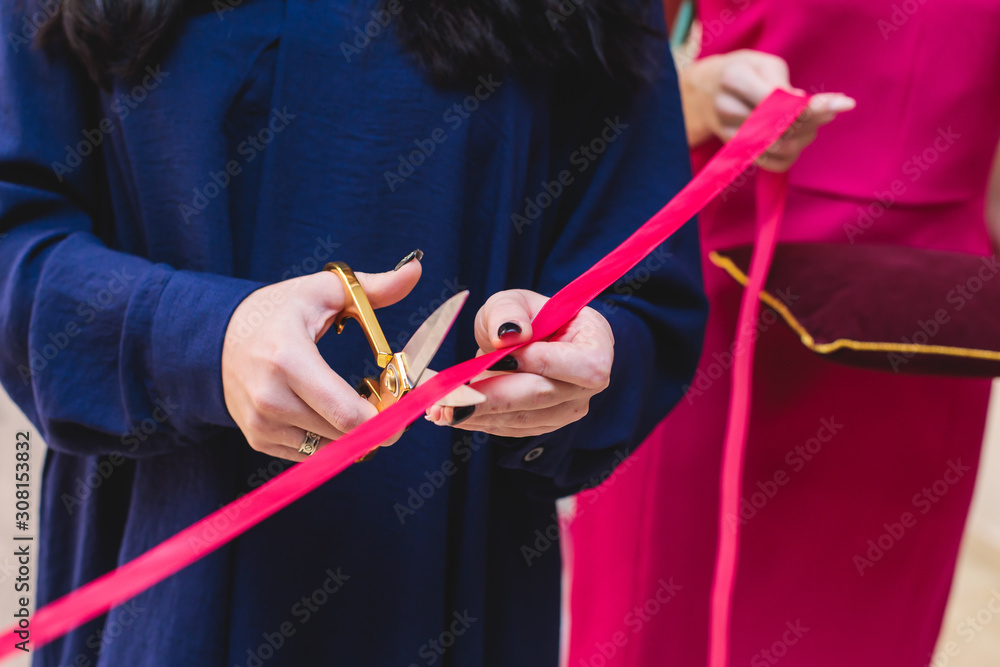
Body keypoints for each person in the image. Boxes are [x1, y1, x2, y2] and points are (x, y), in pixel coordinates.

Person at [0, 0, 712, 665]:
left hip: (447, 590)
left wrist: (577, 358)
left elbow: (643, 280)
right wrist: (198, 340)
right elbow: (15, 235)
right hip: (154, 573)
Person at [567, 1, 1000, 666]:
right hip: (714, 282)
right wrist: (704, 94)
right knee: (655, 628)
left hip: (932, 328)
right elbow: (589, 80)